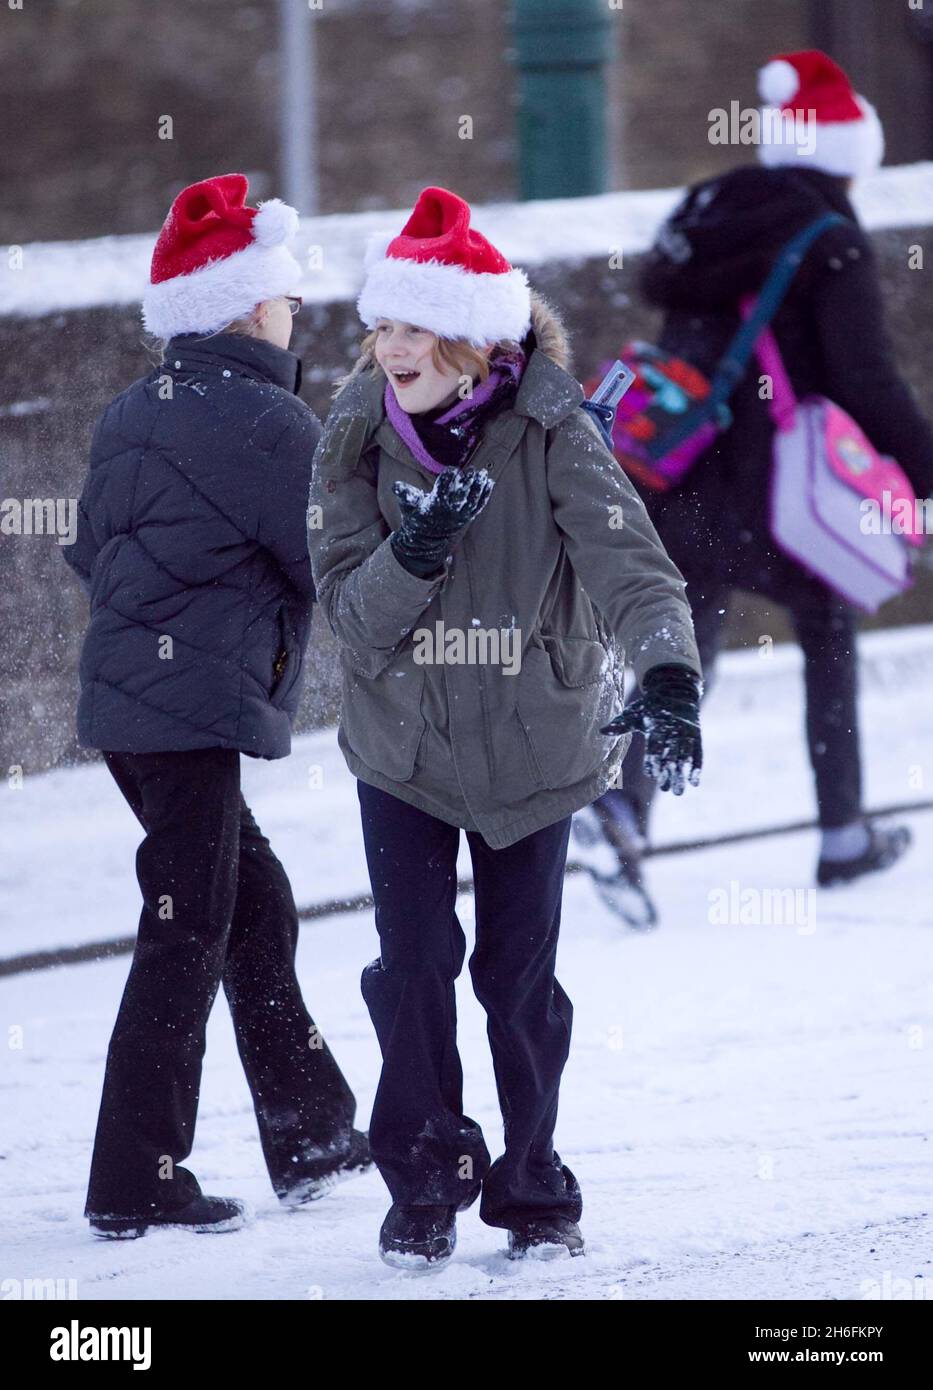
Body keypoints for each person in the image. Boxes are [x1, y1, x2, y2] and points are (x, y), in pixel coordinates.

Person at [307, 185, 703, 1269]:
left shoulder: (553, 430)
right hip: (405, 751)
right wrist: (415, 552)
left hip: (535, 748)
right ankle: (425, 1179)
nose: (386, 348)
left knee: (517, 980)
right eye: (378, 326)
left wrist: (668, 670)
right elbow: (348, 617)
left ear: (474, 338)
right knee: (415, 963)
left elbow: (634, 568)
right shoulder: (350, 439)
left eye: (407, 326)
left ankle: (533, 1186)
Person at [63, 173, 369, 1239]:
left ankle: (315, 1128)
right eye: (284, 297)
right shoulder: (269, 418)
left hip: (127, 707)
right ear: (247, 306)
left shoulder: (133, 408)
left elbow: (89, 551)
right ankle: (134, 1177)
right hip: (187, 714)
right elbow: (332, 556)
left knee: (254, 901)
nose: (295, 313)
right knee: (186, 927)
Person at [594, 50, 933, 914]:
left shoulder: (713, 209)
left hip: (677, 470)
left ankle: (626, 816)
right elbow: (867, 381)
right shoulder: (831, 240)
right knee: (826, 623)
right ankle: (843, 836)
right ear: (848, 156)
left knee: (684, 637)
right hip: (782, 490)